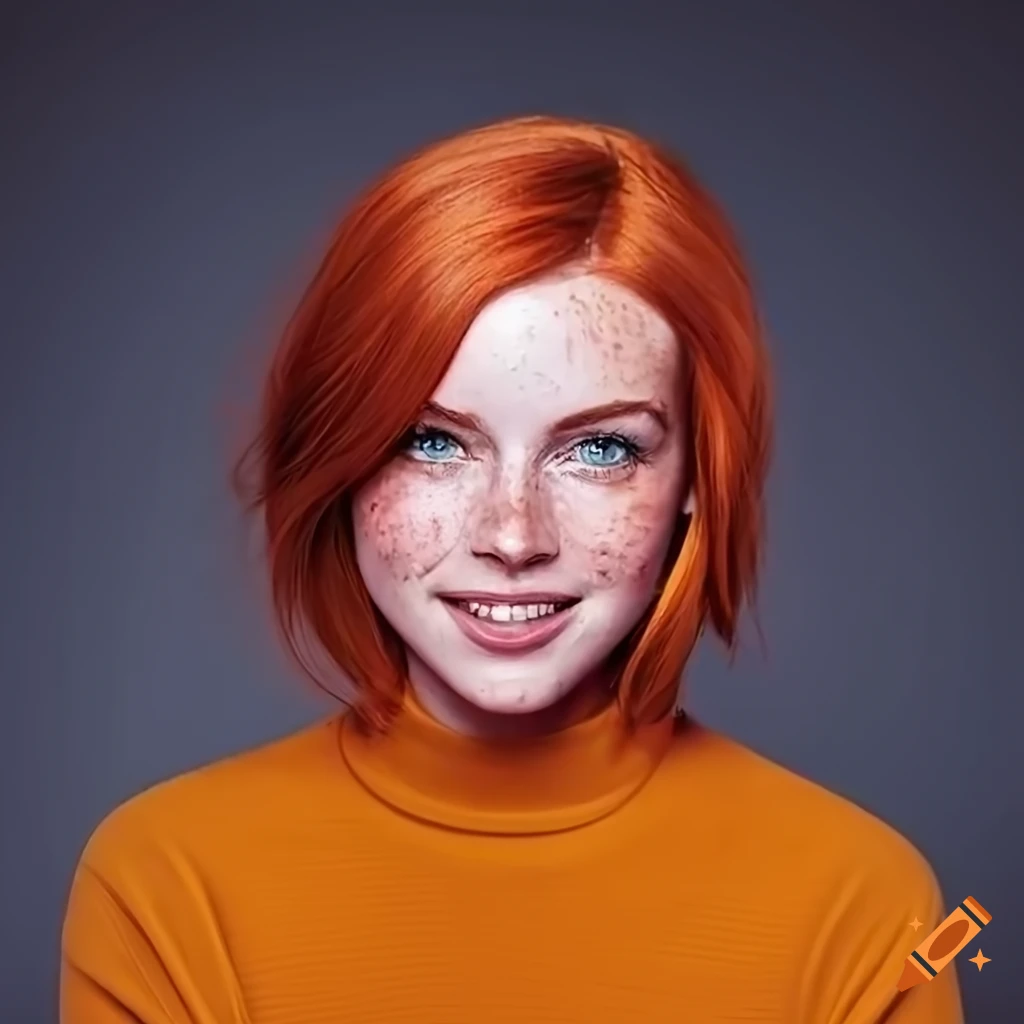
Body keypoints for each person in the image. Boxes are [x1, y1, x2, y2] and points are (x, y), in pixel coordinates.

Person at [60, 115, 963, 1023]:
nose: (513, 534)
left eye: (601, 449)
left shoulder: (872, 907)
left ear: (698, 474)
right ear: (341, 454)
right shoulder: (162, 886)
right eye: (431, 442)